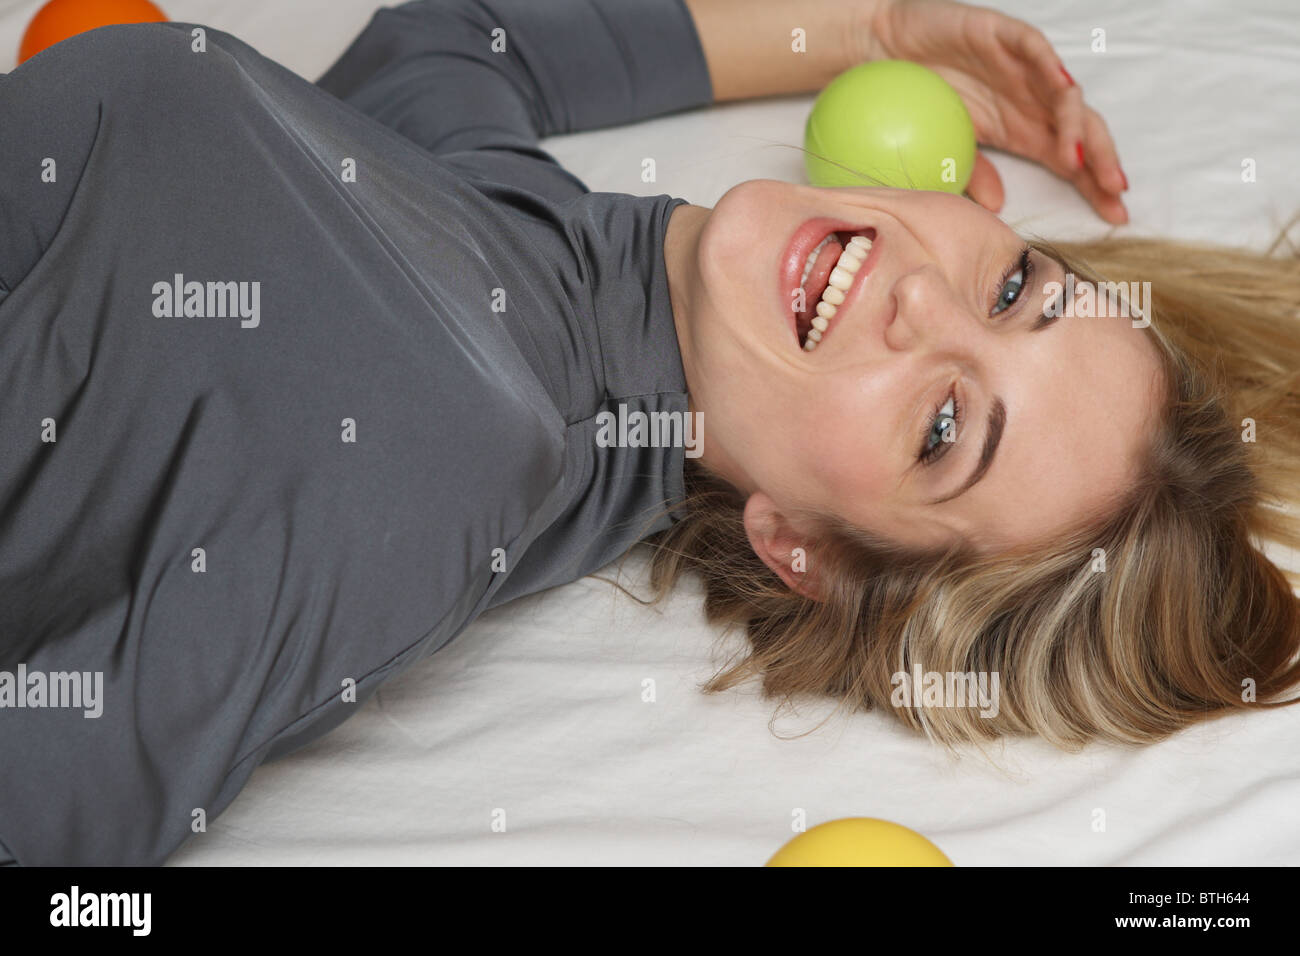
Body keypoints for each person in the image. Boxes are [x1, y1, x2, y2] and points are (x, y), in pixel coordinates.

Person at [0, 0, 1294, 866]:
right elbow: (456, 41)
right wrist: (869, 28)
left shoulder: (446, 452)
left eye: (947, 426)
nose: (924, 303)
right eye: (1017, 289)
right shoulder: (503, 223)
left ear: (807, 552)